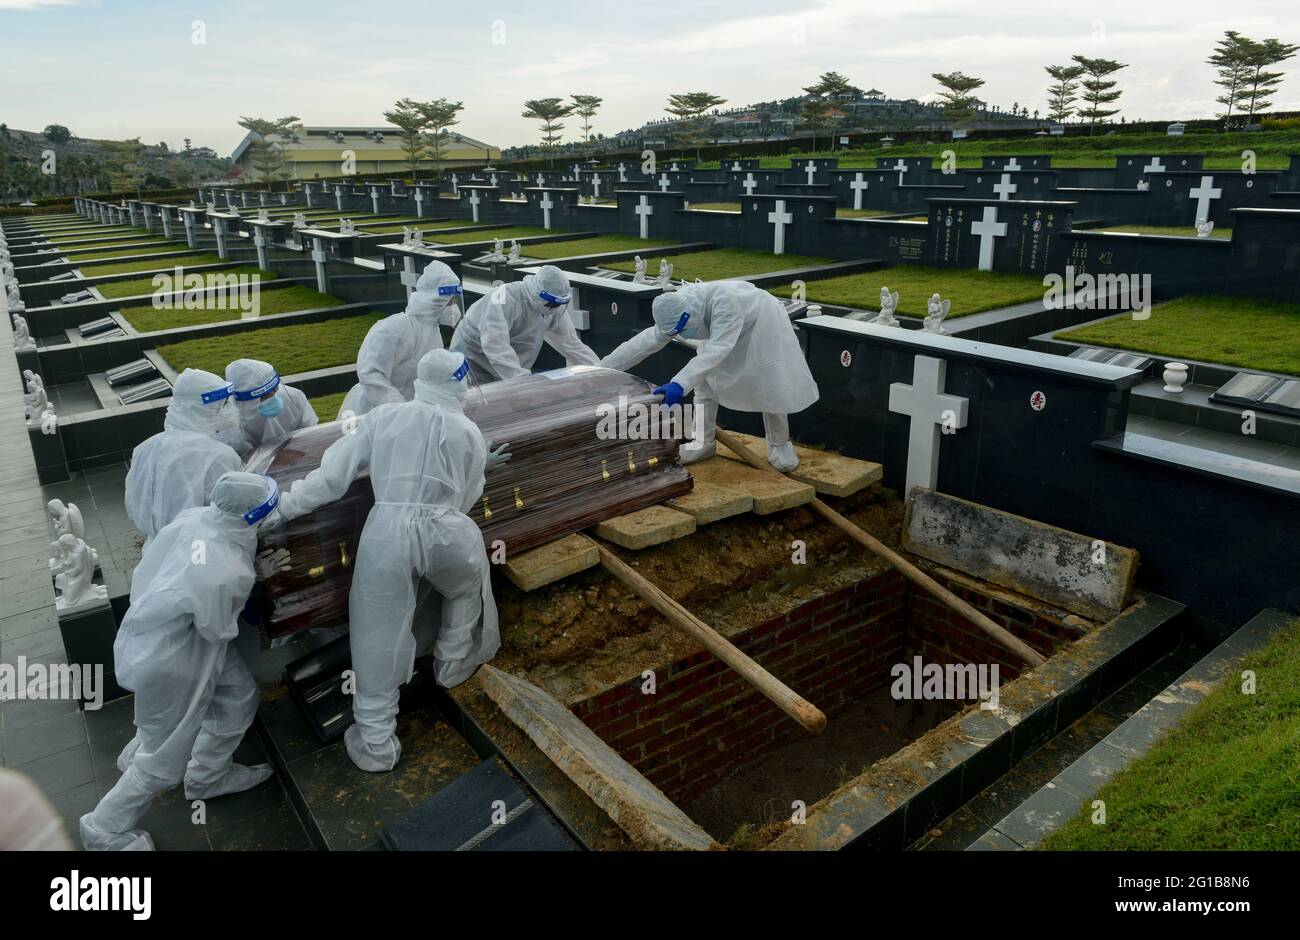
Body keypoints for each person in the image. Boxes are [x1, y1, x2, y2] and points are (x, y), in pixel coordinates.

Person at [278, 349, 505, 772]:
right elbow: (468, 496)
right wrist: (484, 468)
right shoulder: (467, 429)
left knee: (376, 634)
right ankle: (452, 665)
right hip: (446, 532)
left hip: (387, 533)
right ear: (456, 381)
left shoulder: (382, 418)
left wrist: (281, 509)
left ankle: (376, 742)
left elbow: (331, 479)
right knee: (464, 589)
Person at [80, 472, 285, 851]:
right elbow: (218, 627)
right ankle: (103, 828)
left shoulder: (197, 518)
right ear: (254, 517)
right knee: (162, 758)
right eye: (268, 511)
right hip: (177, 660)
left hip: (159, 638)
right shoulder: (228, 568)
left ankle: (208, 775)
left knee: (239, 698)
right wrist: (254, 579)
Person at [600, 281, 819, 471]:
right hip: (721, 332)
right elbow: (643, 343)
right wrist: (601, 368)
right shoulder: (676, 312)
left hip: (762, 323)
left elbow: (718, 350)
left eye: (681, 330)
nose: (681, 335)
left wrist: (678, 384)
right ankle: (702, 443)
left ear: (688, 316)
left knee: (770, 381)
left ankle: (779, 444)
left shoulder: (726, 303)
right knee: (704, 384)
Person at [124, 368, 241, 544]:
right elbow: (231, 516)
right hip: (200, 549)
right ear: (203, 409)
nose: (230, 409)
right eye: (223, 404)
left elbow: (133, 505)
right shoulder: (219, 456)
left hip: (154, 549)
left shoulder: (144, 448)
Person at [340, 259, 463, 417]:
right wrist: (397, 406)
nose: (454, 307)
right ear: (436, 300)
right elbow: (370, 373)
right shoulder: (393, 328)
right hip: (372, 410)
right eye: (451, 301)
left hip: (408, 412)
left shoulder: (433, 332)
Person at [450, 264, 599, 382]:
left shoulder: (555, 307)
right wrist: (521, 381)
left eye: (558, 304)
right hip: (472, 358)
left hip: (509, 368)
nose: (554, 308)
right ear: (537, 292)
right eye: (551, 303)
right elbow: (495, 345)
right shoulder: (504, 299)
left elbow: (571, 343)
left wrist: (600, 369)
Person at [222, 358, 318, 457]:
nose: (273, 396)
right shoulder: (228, 423)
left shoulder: (293, 397)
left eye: (274, 388)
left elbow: (310, 435)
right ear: (243, 401)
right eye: (264, 395)